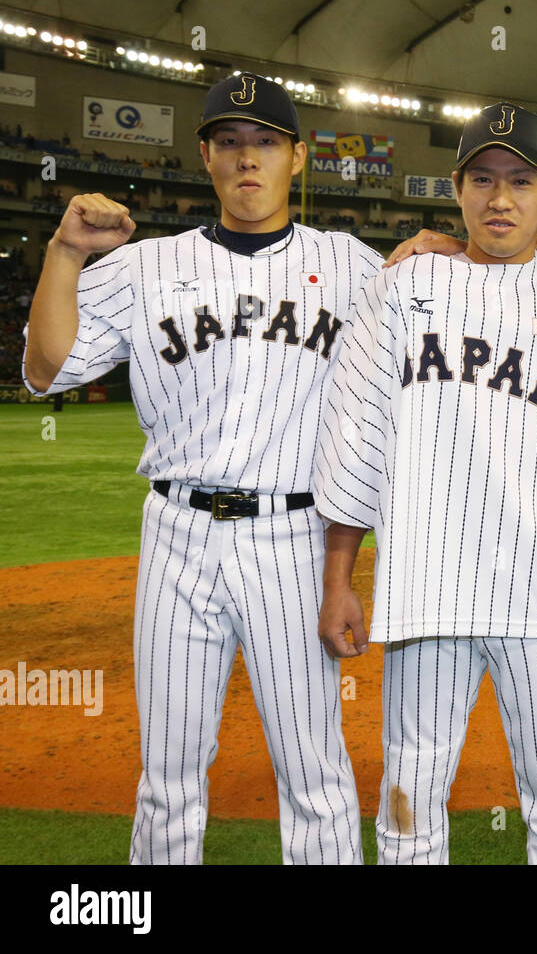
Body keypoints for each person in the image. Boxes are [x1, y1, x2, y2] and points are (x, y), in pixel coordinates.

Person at [22, 73, 379, 864]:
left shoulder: (353, 265)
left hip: (295, 537)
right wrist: (63, 250)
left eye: (264, 143)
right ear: (207, 158)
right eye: (229, 143)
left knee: (313, 769)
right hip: (177, 533)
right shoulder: (145, 267)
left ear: (297, 157)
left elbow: (455, 284)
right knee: (169, 772)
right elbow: (47, 368)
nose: (247, 159)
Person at [313, 103, 537, 865]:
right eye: (483, 180)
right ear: (457, 188)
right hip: (430, 587)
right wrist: (338, 579)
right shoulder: (404, 286)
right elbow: (355, 435)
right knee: (409, 795)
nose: (501, 199)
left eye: (520, 181)